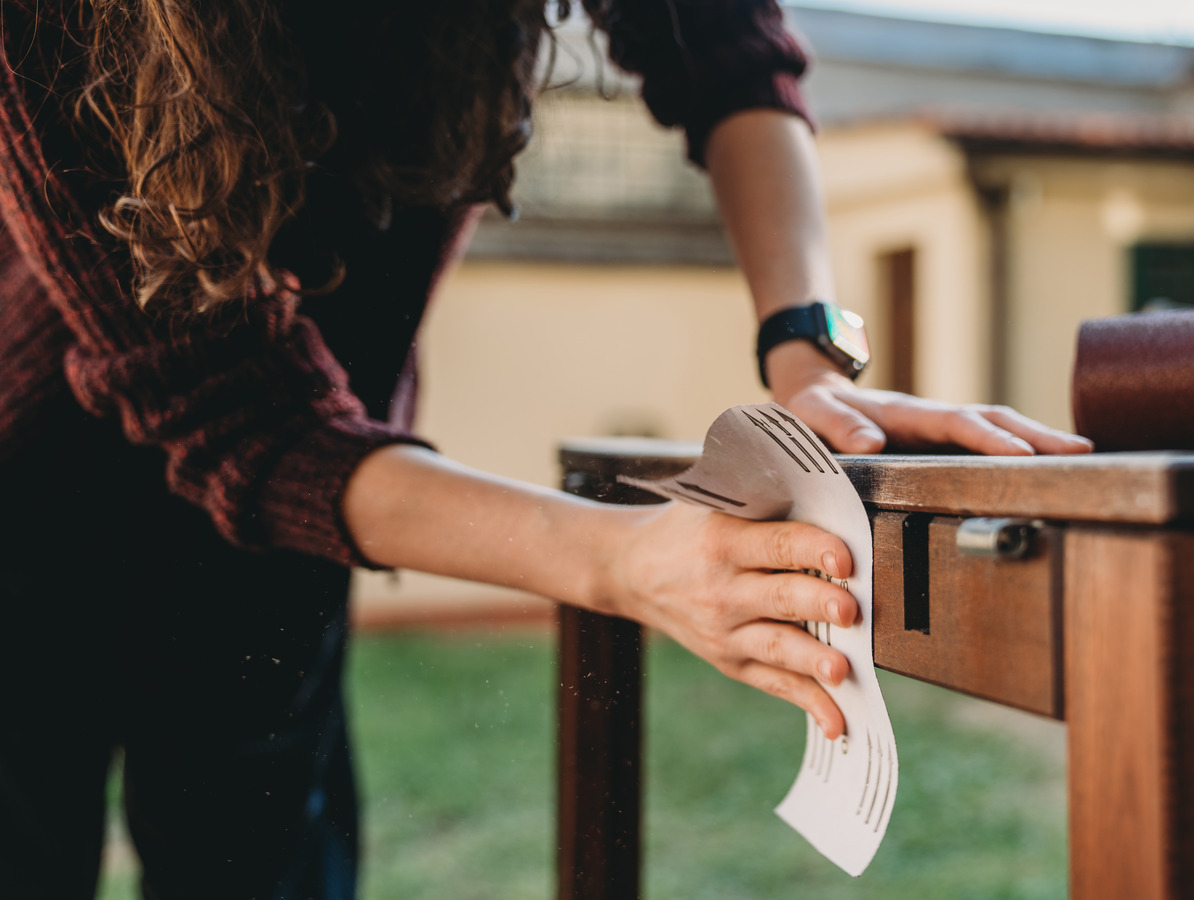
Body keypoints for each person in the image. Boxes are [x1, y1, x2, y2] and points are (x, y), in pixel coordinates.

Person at [0, 0, 1090, 896]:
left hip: (296, 536)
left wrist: (807, 352)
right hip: (32, 509)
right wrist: (621, 559)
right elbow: (242, 412)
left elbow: (725, 46)